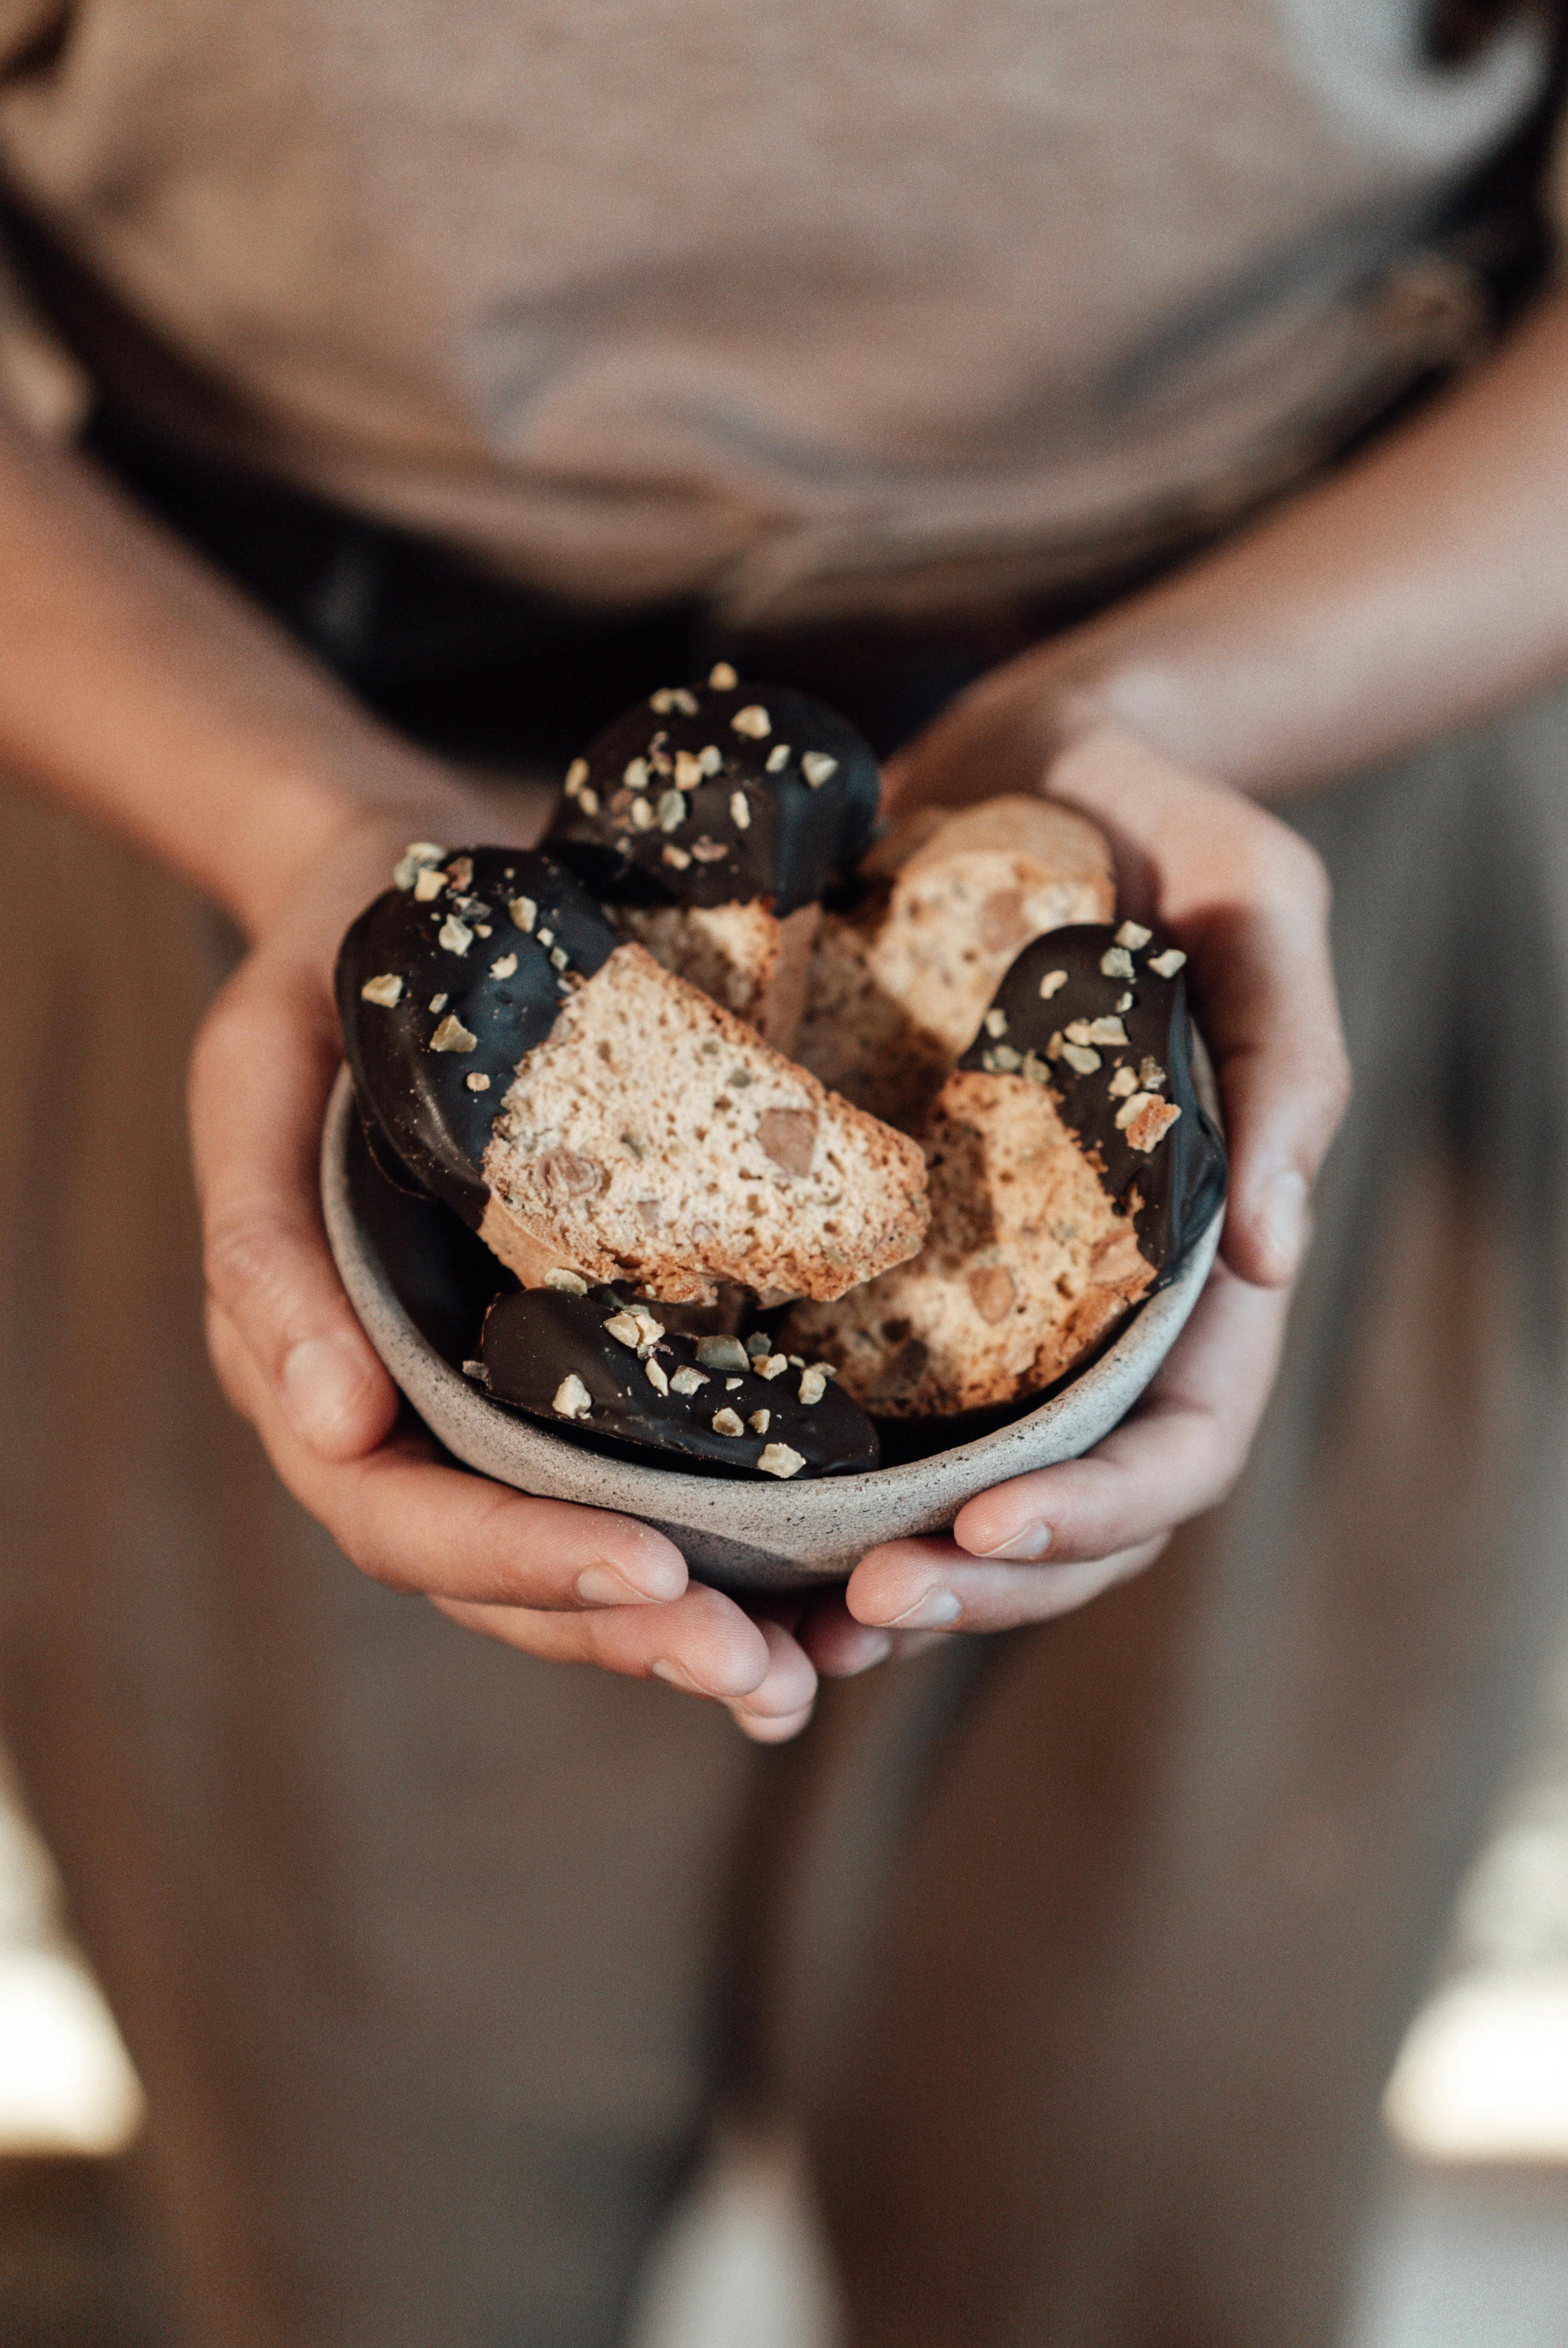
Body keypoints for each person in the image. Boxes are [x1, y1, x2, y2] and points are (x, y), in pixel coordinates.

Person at [0, 4, 1562, 2344]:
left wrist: (1168, 720)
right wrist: (290, 820)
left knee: (1144, 2217)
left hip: (1269, 834)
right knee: (361, 2244)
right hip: (245, 833)